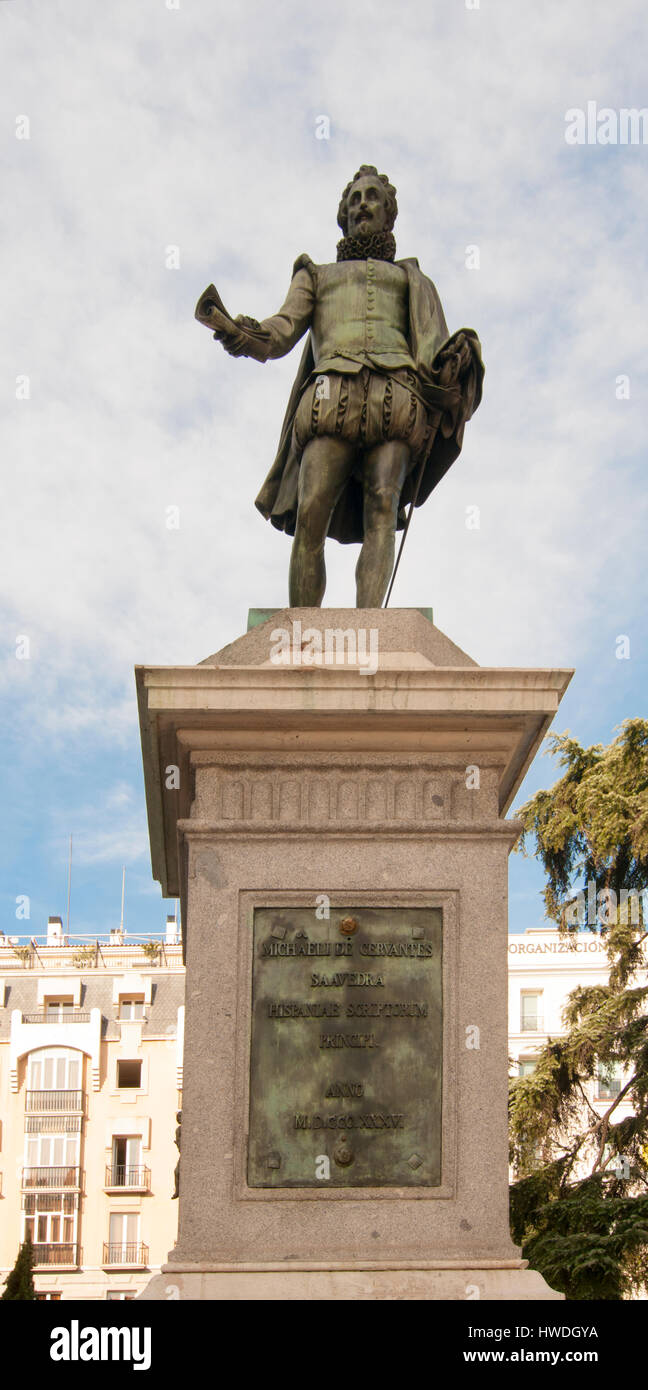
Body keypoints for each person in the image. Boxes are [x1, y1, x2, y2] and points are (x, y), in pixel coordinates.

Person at [200, 165, 483, 607]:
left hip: (397, 398)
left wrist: (456, 361)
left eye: (372, 197)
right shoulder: (315, 275)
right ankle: (303, 632)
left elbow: (432, 347)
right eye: (354, 199)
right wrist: (242, 333)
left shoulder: (414, 280)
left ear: (389, 214)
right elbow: (281, 330)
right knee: (312, 510)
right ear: (344, 214)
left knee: (383, 508)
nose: (362, 204)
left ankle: (371, 626)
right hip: (330, 397)